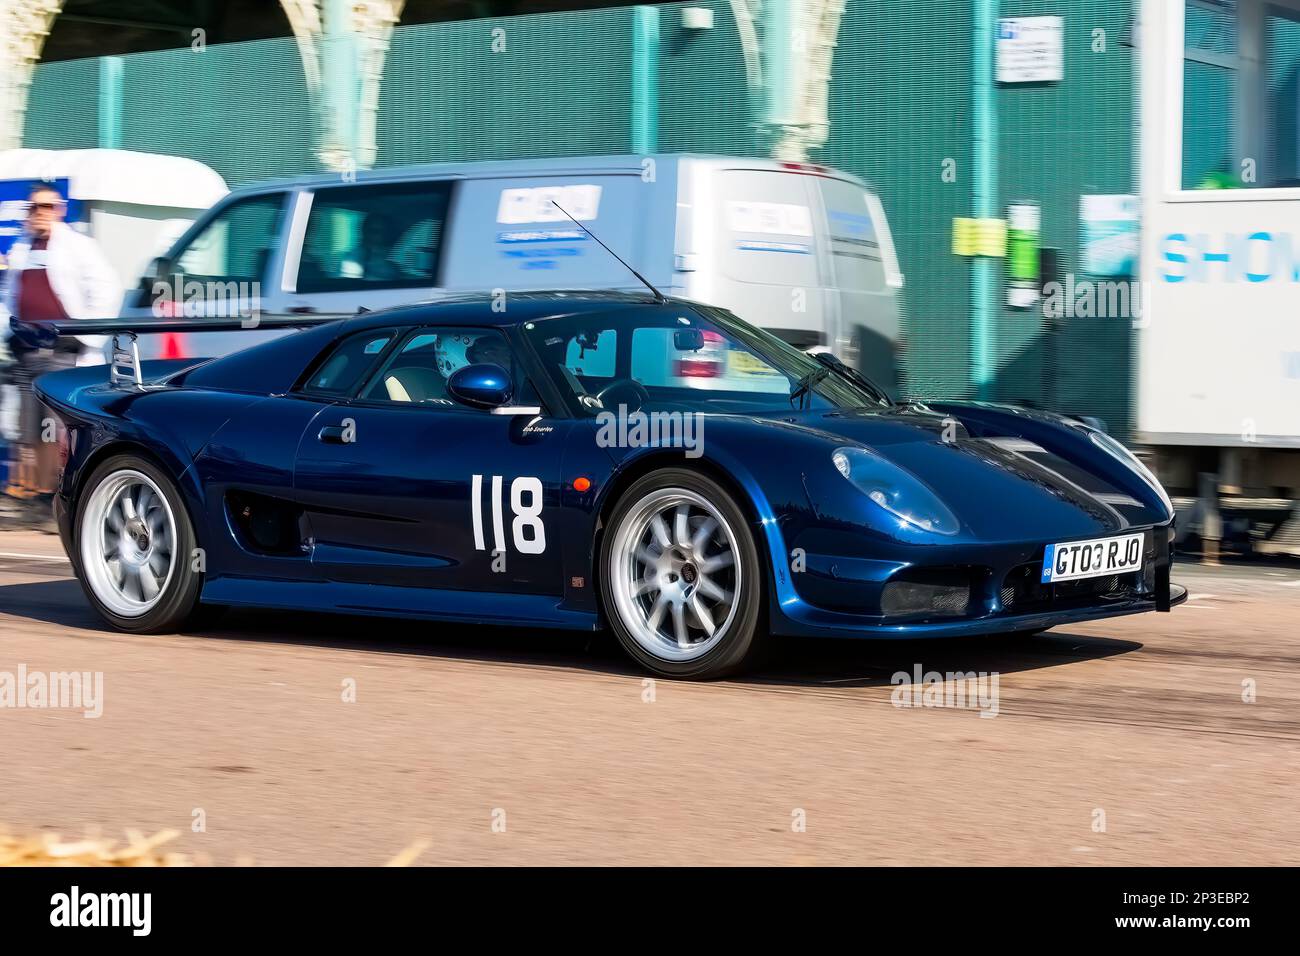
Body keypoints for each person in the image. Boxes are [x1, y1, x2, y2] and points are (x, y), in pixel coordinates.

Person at [0, 183, 119, 514]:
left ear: (60, 210)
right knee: (30, 430)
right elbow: (10, 296)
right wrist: (11, 330)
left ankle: (63, 499)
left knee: (58, 431)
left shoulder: (78, 247)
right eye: (34, 207)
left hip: (60, 353)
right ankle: (38, 501)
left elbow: (107, 288)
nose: (40, 213)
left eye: (47, 207)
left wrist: (81, 336)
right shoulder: (23, 248)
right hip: (26, 353)